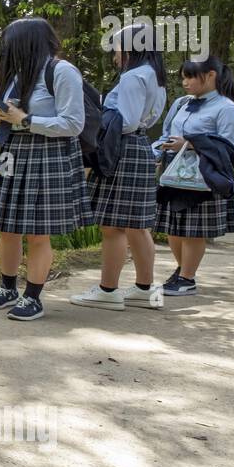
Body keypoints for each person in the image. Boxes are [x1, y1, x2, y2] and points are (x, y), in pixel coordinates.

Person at [0, 17, 94, 321]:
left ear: (27, 43)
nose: (6, 50)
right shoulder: (16, 75)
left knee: (38, 232)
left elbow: (73, 124)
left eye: (10, 44)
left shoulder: (62, 71)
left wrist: (26, 120)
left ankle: (33, 297)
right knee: (7, 227)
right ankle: (7, 288)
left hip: (49, 156)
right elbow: (7, 127)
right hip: (13, 155)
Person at [71, 24, 168, 311]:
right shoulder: (156, 77)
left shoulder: (132, 77)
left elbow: (125, 121)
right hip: (140, 148)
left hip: (122, 149)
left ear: (130, 48)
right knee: (138, 225)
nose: (115, 53)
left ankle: (108, 290)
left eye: (116, 47)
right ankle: (144, 287)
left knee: (112, 226)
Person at [153, 57, 234, 296]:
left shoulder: (226, 108)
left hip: (203, 177)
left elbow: (230, 148)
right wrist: (156, 150)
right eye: (183, 77)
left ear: (211, 75)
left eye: (191, 76)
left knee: (193, 231)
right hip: (174, 173)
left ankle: (187, 278)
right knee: (173, 228)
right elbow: (167, 133)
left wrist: (191, 143)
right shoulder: (182, 103)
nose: (185, 82)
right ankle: (182, 270)